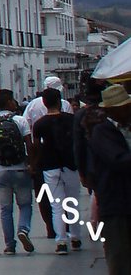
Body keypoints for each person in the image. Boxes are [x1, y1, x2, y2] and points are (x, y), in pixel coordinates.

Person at [0, 88, 35, 256]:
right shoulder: (20, 121)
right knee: (25, 204)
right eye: (13, 100)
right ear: (9, 102)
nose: (15, 103)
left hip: (2, 172)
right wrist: (31, 164)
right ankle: (24, 230)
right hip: (21, 168)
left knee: (6, 209)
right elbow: (29, 144)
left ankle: (10, 245)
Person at [87, 82, 131, 275]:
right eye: (126, 107)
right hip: (115, 203)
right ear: (115, 109)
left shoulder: (120, 128)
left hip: (124, 201)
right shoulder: (103, 132)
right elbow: (119, 161)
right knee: (119, 256)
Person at [31, 89, 81, 254]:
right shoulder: (72, 120)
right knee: (72, 202)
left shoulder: (39, 124)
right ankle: (75, 236)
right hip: (70, 164)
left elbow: (36, 146)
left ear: (44, 103)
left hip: (50, 165)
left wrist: (35, 163)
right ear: (60, 101)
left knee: (57, 205)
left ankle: (61, 242)